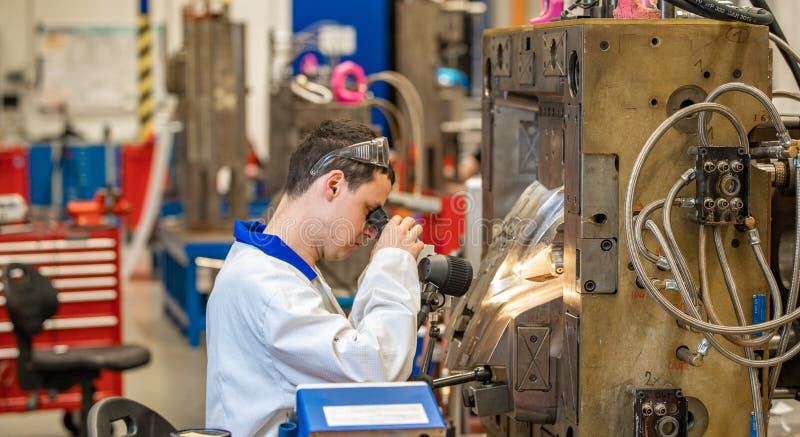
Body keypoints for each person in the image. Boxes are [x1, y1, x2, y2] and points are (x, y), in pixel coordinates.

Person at [205, 120, 425, 436]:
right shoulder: (268, 287)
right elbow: (374, 373)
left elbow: (346, 351)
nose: (371, 229)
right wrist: (393, 264)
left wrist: (382, 269)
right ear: (333, 185)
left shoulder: (278, 268)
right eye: (369, 210)